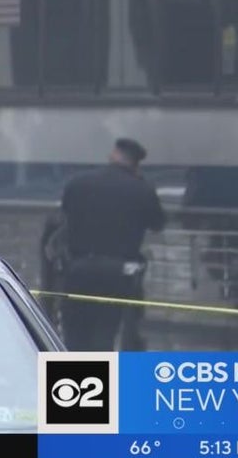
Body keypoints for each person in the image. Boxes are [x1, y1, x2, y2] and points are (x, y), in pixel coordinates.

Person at [59, 138, 166, 351]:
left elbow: (65, 213)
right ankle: (98, 381)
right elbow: (158, 223)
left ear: (112, 155)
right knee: (105, 331)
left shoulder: (78, 182)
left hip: (78, 268)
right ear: (135, 164)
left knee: (74, 333)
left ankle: (70, 380)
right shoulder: (142, 189)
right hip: (117, 273)